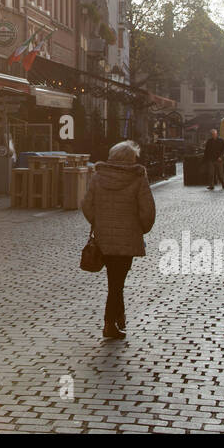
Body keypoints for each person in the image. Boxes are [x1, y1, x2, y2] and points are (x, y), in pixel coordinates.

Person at [81, 141, 156, 341]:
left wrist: (98, 223)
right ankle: (109, 324)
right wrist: (141, 229)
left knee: (115, 281)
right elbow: (147, 210)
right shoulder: (138, 178)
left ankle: (119, 318)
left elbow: (87, 205)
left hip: (104, 238)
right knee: (116, 283)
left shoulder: (98, 176)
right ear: (131, 159)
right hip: (127, 238)